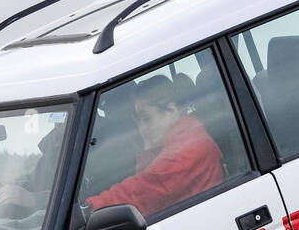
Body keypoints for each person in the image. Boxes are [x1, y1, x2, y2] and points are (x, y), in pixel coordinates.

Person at [85, 75, 224, 217]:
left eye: (147, 119)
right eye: (138, 121)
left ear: (171, 109)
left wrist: (90, 209)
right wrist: (148, 148)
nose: (142, 129)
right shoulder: (180, 138)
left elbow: (142, 192)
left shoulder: (187, 148)